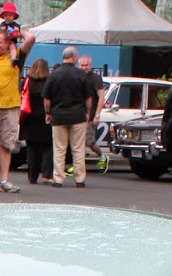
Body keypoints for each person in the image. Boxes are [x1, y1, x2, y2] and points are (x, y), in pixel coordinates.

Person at [0, 26, 34, 191]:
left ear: (8, 43)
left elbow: (30, 38)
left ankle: (4, 180)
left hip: (11, 106)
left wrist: (17, 31)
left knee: (6, 145)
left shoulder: (16, 56)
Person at [43, 46, 94, 188]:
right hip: (78, 115)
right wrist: (87, 113)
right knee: (78, 149)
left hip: (58, 116)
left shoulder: (54, 75)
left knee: (59, 149)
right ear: (74, 57)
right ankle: (79, 179)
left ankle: (58, 178)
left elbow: (47, 98)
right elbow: (88, 98)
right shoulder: (82, 75)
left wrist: (48, 113)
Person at [20, 58, 53, 183]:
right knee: (47, 147)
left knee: (31, 149)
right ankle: (46, 174)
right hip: (45, 117)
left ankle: (32, 176)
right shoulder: (48, 82)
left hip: (29, 118)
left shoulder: (27, 81)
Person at [78, 54, 109, 173]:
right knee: (78, 143)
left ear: (90, 66)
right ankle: (79, 166)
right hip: (78, 115)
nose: (84, 67)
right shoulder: (77, 76)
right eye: (82, 65)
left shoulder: (95, 78)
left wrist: (97, 115)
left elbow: (101, 97)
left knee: (89, 141)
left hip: (90, 116)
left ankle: (102, 156)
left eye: (86, 65)